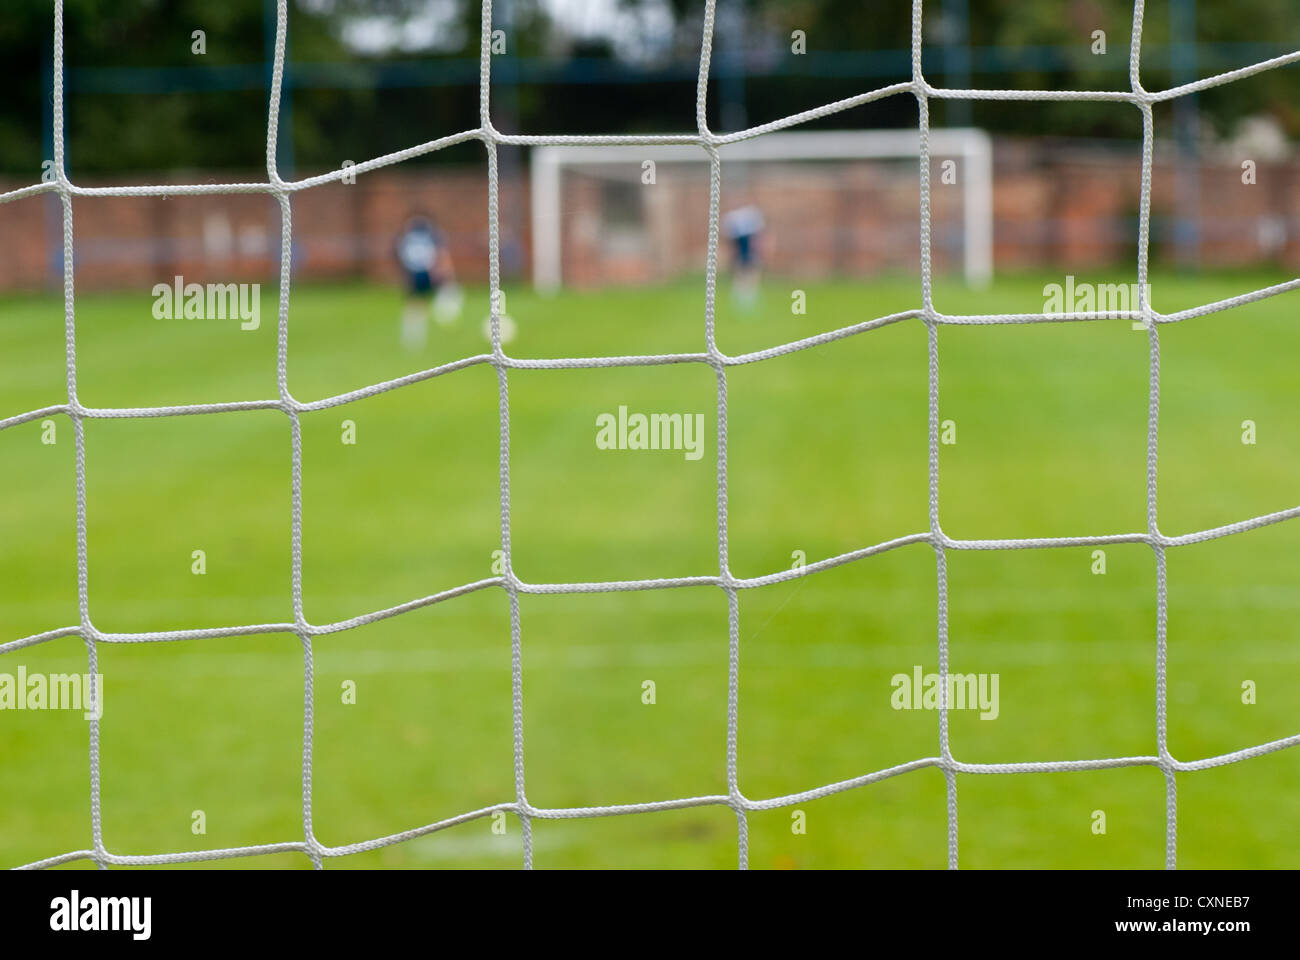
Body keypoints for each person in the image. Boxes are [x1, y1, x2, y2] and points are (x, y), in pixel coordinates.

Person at [395, 214, 459, 350]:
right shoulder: (433, 236)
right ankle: (444, 315)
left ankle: (412, 337)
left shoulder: (406, 237)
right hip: (428, 271)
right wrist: (445, 271)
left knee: (416, 304)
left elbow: (401, 256)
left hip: (414, 274)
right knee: (449, 290)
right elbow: (441, 254)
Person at [721, 202, 765, 309]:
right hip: (742, 257)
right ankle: (742, 300)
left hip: (747, 256)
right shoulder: (738, 224)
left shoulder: (748, 222)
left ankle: (747, 299)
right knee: (743, 278)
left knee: (749, 278)